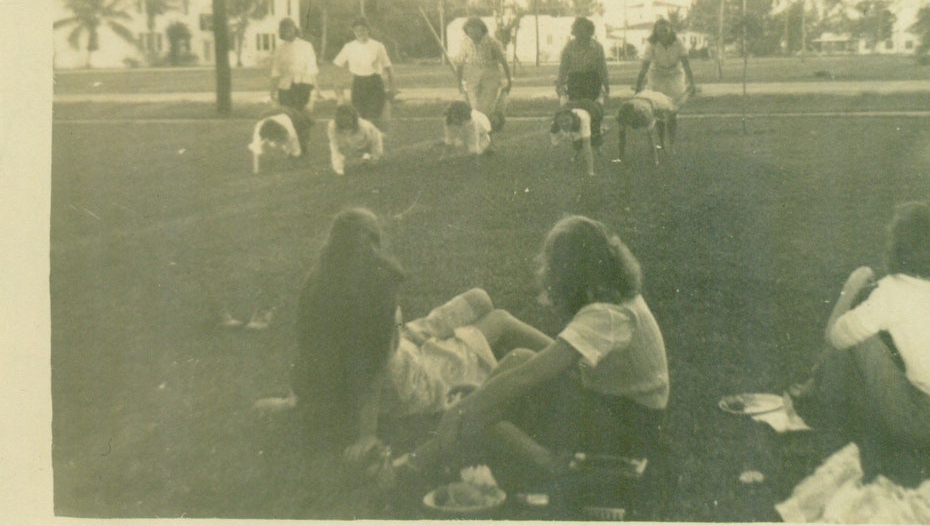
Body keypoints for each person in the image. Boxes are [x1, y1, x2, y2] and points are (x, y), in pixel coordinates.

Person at [254, 208, 552, 468]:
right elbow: (372, 376)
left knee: (479, 299)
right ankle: (567, 353)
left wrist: (293, 400)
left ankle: (564, 350)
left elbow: (309, 354)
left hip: (406, 341)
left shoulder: (319, 285)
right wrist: (367, 435)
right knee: (499, 319)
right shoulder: (374, 295)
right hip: (409, 379)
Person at [403, 215, 669, 490]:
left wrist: (462, 409)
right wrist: (485, 395)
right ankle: (453, 436)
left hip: (628, 426)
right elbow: (538, 366)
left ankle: (434, 452)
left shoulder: (607, 314)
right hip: (618, 403)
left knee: (499, 409)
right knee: (508, 378)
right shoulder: (616, 293)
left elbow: (528, 377)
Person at [791, 201, 930, 484]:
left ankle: (814, 401)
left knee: (860, 338)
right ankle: (815, 394)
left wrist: (853, 285)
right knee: (889, 340)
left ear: (899, 245)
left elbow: (835, 336)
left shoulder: (894, 289)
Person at [633, 17, 696, 146]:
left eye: (665, 31)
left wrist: (692, 84)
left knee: (672, 112)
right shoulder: (651, 44)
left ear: (671, 31)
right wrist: (638, 86)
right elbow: (644, 67)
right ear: (655, 32)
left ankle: (671, 144)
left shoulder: (678, 43)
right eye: (660, 31)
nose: (663, 34)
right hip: (657, 77)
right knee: (659, 111)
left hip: (675, 77)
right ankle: (661, 143)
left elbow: (686, 65)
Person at [332, 17, 395, 131]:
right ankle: (364, 144)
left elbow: (388, 68)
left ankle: (375, 144)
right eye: (356, 30)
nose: (359, 33)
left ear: (368, 30)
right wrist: (338, 88)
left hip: (375, 83)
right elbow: (337, 65)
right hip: (358, 84)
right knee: (360, 117)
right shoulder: (349, 47)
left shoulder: (377, 46)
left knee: (374, 117)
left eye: (362, 30)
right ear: (354, 32)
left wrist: (392, 87)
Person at [452, 17, 512, 129]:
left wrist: (509, 80)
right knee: (474, 107)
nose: (473, 35)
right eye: (470, 32)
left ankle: (487, 132)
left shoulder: (492, 42)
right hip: (473, 76)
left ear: (482, 29)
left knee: (485, 108)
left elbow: (504, 62)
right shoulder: (466, 42)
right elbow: (460, 63)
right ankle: (483, 131)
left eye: (475, 31)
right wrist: (459, 83)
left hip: (490, 75)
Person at [613, 89, 680, 165]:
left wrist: (655, 161)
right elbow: (621, 137)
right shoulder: (620, 114)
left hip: (657, 101)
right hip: (641, 98)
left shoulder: (645, 114)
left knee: (672, 111)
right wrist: (620, 157)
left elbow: (650, 138)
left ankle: (669, 146)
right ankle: (663, 146)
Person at [555, 17, 610, 104]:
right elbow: (562, 71)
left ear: (590, 33)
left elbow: (603, 70)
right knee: (576, 112)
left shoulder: (597, 47)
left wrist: (606, 88)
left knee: (593, 112)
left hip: (593, 84)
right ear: (575, 33)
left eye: (584, 34)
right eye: (578, 34)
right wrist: (561, 92)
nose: (581, 38)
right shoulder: (569, 48)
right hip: (575, 85)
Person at [269, 17, 319, 111]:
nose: (288, 33)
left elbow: (312, 70)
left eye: (289, 29)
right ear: (281, 32)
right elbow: (275, 72)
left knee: (301, 116)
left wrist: (315, 94)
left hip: (303, 86)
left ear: (294, 29)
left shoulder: (306, 45)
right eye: (284, 30)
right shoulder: (279, 48)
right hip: (285, 88)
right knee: (285, 116)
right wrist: (272, 95)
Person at [248, 107, 314, 174]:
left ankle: (299, 158)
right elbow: (255, 149)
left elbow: (294, 144)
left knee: (300, 142)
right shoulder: (259, 129)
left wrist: (296, 155)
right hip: (269, 115)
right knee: (286, 145)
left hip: (292, 115)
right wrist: (256, 170)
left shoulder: (289, 126)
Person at [328, 104, 384, 175]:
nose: (345, 124)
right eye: (342, 120)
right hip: (353, 142)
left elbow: (374, 142)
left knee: (374, 158)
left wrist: (375, 157)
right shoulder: (332, 126)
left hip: (370, 139)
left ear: (354, 119)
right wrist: (338, 169)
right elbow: (334, 147)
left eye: (347, 120)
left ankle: (366, 157)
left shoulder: (364, 126)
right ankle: (364, 158)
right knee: (341, 147)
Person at [550, 102, 603, 176]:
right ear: (556, 122)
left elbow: (587, 147)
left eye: (567, 120)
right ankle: (576, 154)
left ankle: (599, 147)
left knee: (593, 138)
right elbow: (554, 146)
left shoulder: (583, 120)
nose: (564, 124)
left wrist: (590, 172)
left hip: (592, 111)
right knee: (576, 139)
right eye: (561, 121)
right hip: (576, 108)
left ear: (572, 118)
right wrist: (551, 164)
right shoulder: (554, 126)